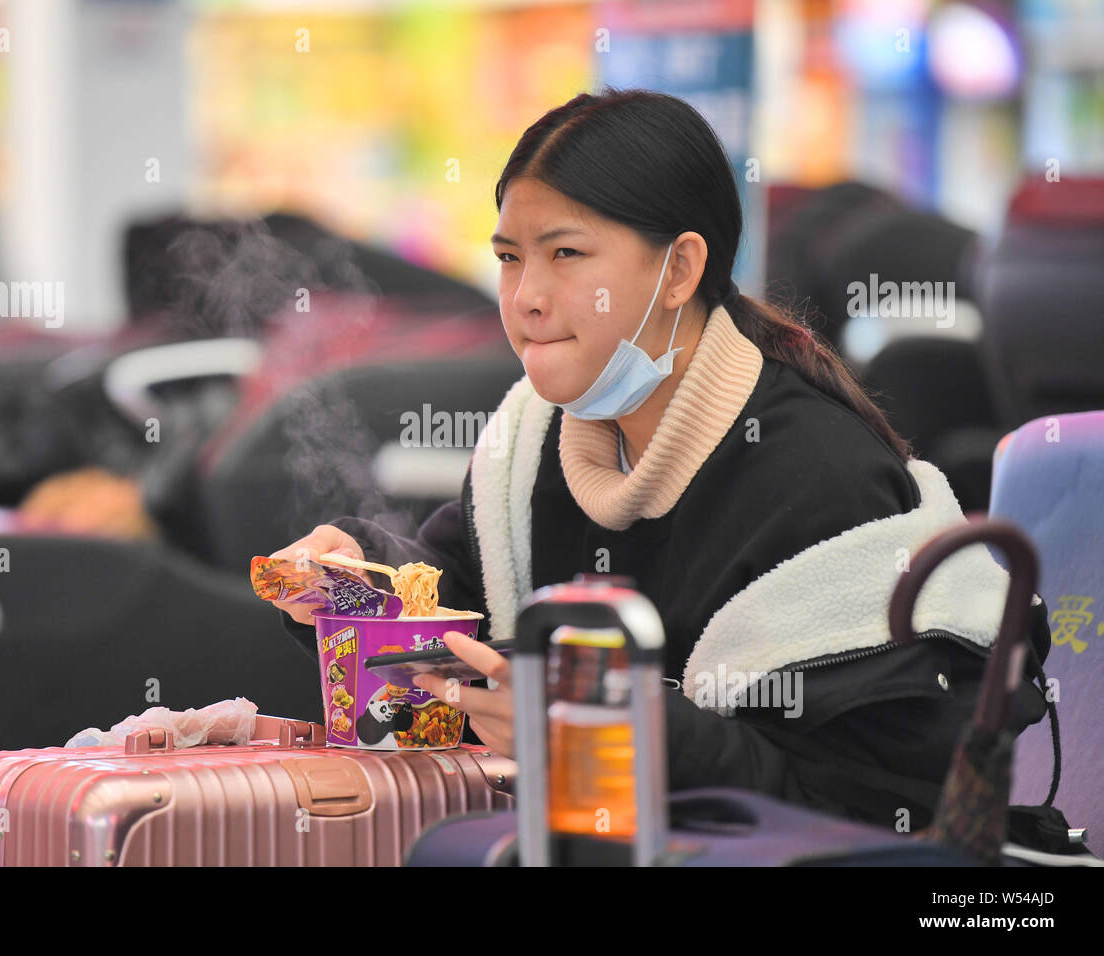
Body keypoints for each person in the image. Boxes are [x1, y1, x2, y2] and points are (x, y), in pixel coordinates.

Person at [269, 88, 1054, 833]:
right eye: (509, 258)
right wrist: (358, 585)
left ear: (678, 269)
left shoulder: (818, 477)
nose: (526, 297)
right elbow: (458, 623)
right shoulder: (529, 440)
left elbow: (872, 807)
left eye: (566, 253)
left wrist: (609, 729)